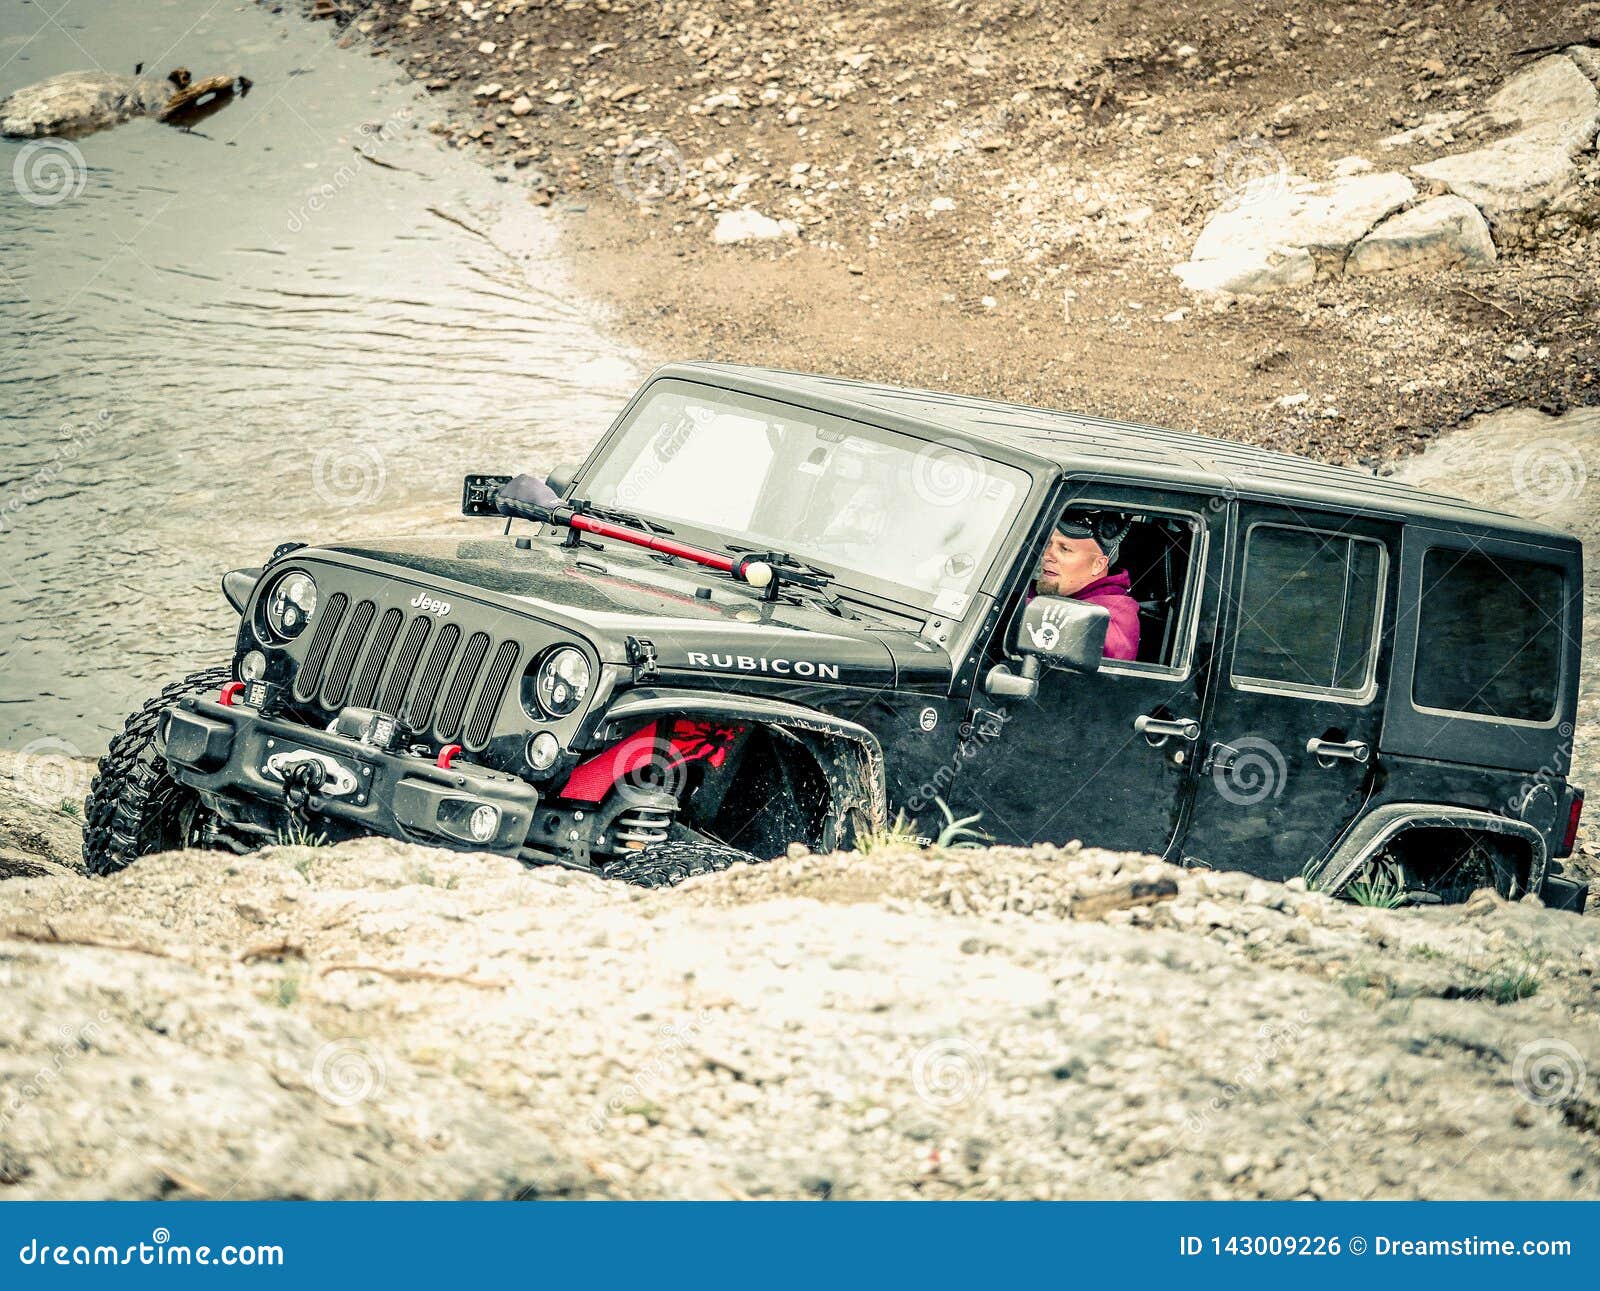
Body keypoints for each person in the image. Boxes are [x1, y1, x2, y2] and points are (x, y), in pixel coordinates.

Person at [1034, 511, 1141, 661]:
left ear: (1098, 565)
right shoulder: (1059, 592)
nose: (1046, 556)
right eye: (1048, 544)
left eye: (1065, 549)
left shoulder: (1114, 617)